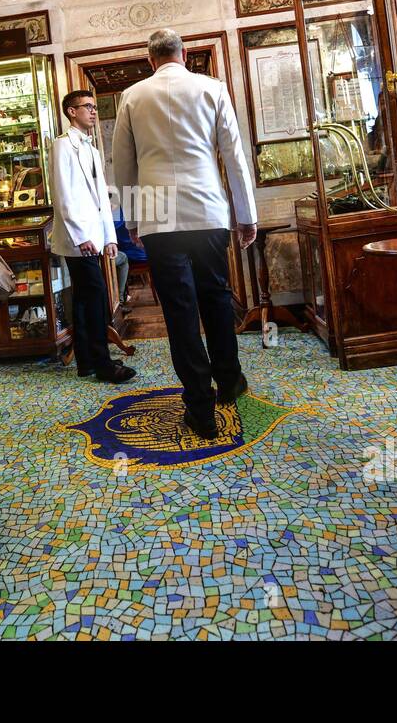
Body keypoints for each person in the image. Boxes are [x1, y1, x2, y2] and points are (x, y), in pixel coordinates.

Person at [112, 29, 257, 440]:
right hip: (208, 206)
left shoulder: (133, 96)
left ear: (149, 60)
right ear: (185, 54)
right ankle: (229, 380)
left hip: (159, 212)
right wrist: (245, 215)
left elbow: (123, 163)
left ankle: (200, 406)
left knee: (179, 311)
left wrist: (135, 220)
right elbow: (234, 155)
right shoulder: (212, 89)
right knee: (216, 297)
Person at [50, 90, 137, 384]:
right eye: (87, 107)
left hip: (94, 236)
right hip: (78, 239)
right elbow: (63, 196)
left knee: (86, 299)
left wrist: (109, 236)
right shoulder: (62, 146)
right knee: (96, 296)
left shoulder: (92, 148)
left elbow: (101, 197)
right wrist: (80, 236)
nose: (93, 111)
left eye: (94, 107)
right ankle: (103, 364)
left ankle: (86, 361)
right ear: (71, 112)